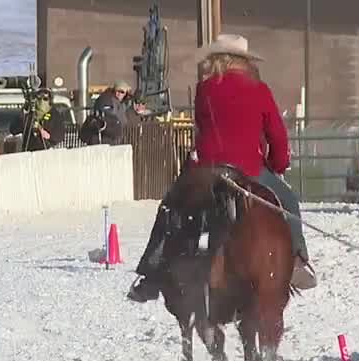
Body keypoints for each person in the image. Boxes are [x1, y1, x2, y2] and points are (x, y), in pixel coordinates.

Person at [127, 33, 315, 303]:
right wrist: (277, 165)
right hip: (250, 169)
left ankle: (152, 274)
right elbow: (277, 135)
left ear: (217, 59)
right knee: (288, 202)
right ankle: (297, 261)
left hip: (207, 170)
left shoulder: (204, 89)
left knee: (170, 209)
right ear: (243, 61)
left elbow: (201, 129)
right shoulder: (259, 89)